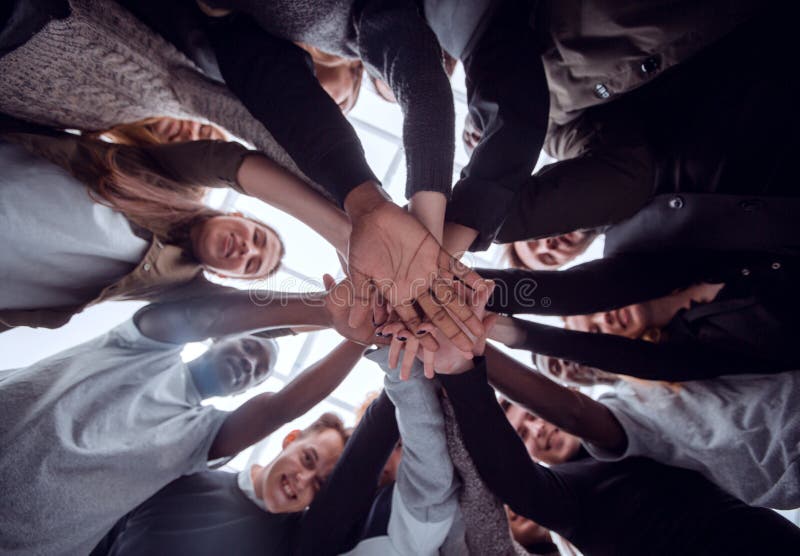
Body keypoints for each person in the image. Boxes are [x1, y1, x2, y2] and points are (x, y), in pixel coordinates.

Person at [0, 273, 378, 555]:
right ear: (220, 338)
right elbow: (200, 318)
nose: (249, 363)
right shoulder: (142, 346)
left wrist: (359, 338)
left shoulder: (195, 440)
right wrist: (327, 310)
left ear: (246, 391)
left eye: (259, 371)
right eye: (249, 348)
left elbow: (280, 409)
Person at [0, 115, 362, 332]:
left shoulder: (177, 287)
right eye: (256, 237)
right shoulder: (170, 178)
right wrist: (346, 236)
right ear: (237, 215)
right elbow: (229, 163)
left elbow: (237, 320)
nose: (246, 248)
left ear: (227, 277)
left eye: (250, 264)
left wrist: (327, 309)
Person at [427, 346, 800, 554]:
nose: (539, 430)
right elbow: (518, 484)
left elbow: (575, 412)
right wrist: (462, 370)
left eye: (531, 417)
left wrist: (475, 351)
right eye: (523, 436)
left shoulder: (628, 426)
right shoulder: (572, 494)